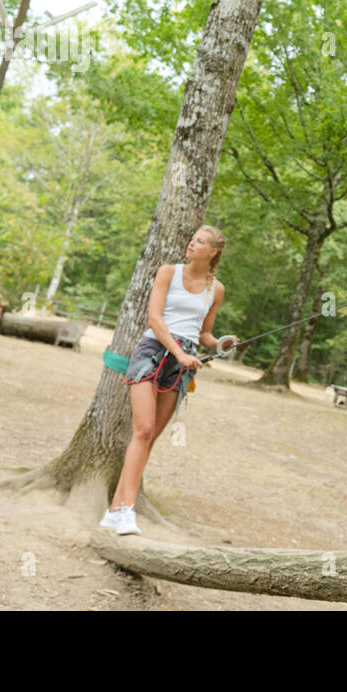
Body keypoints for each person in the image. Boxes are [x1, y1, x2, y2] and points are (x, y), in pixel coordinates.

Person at [100, 225, 236, 536]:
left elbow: (203, 333)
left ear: (213, 252)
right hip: (152, 351)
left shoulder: (216, 290)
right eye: (192, 239)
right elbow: (155, 319)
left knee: (150, 438)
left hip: (183, 361)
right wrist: (178, 352)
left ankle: (114, 511)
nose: (192, 244)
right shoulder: (168, 273)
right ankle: (126, 511)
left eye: (199, 242)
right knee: (143, 428)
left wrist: (218, 345)